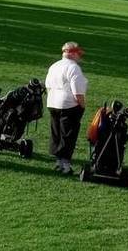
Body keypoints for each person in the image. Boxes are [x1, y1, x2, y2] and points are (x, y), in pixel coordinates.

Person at [45, 41, 88, 174]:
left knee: (57, 133)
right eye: (78, 54)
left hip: (52, 102)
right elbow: (78, 92)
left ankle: (58, 162)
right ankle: (65, 165)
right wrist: (82, 105)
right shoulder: (73, 68)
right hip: (68, 104)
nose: (80, 57)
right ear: (73, 53)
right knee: (68, 135)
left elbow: (47, 85)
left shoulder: (54, 66)